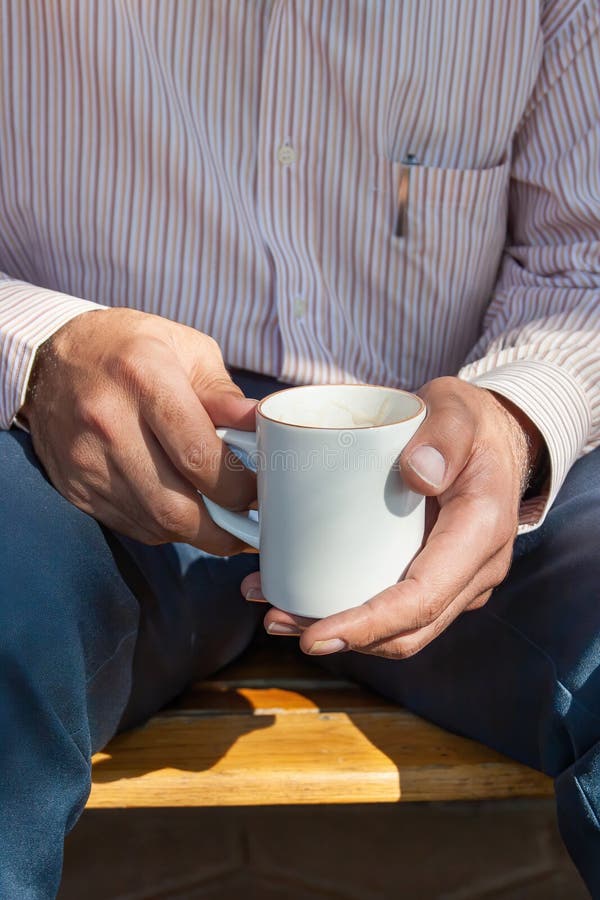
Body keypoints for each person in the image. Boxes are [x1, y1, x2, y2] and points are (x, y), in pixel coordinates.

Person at [0, 1, 598, 896]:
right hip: (77, 446)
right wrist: (40, 349)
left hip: (459, 445)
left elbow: (578, 262)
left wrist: (516, 421)